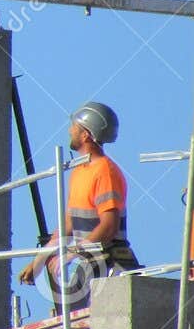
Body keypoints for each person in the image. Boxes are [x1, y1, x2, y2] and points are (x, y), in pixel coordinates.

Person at [18, 101, 139, 310]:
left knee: (89, 324)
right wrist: (38, 262)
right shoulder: (80, 171)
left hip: (109, 263)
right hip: (90, 262)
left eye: (74, 126)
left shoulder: (105, 171)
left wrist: (73, 253)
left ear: (86, 135)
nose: (69, 130)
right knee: (72, 320)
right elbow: (68, 226)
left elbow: (108, 226)